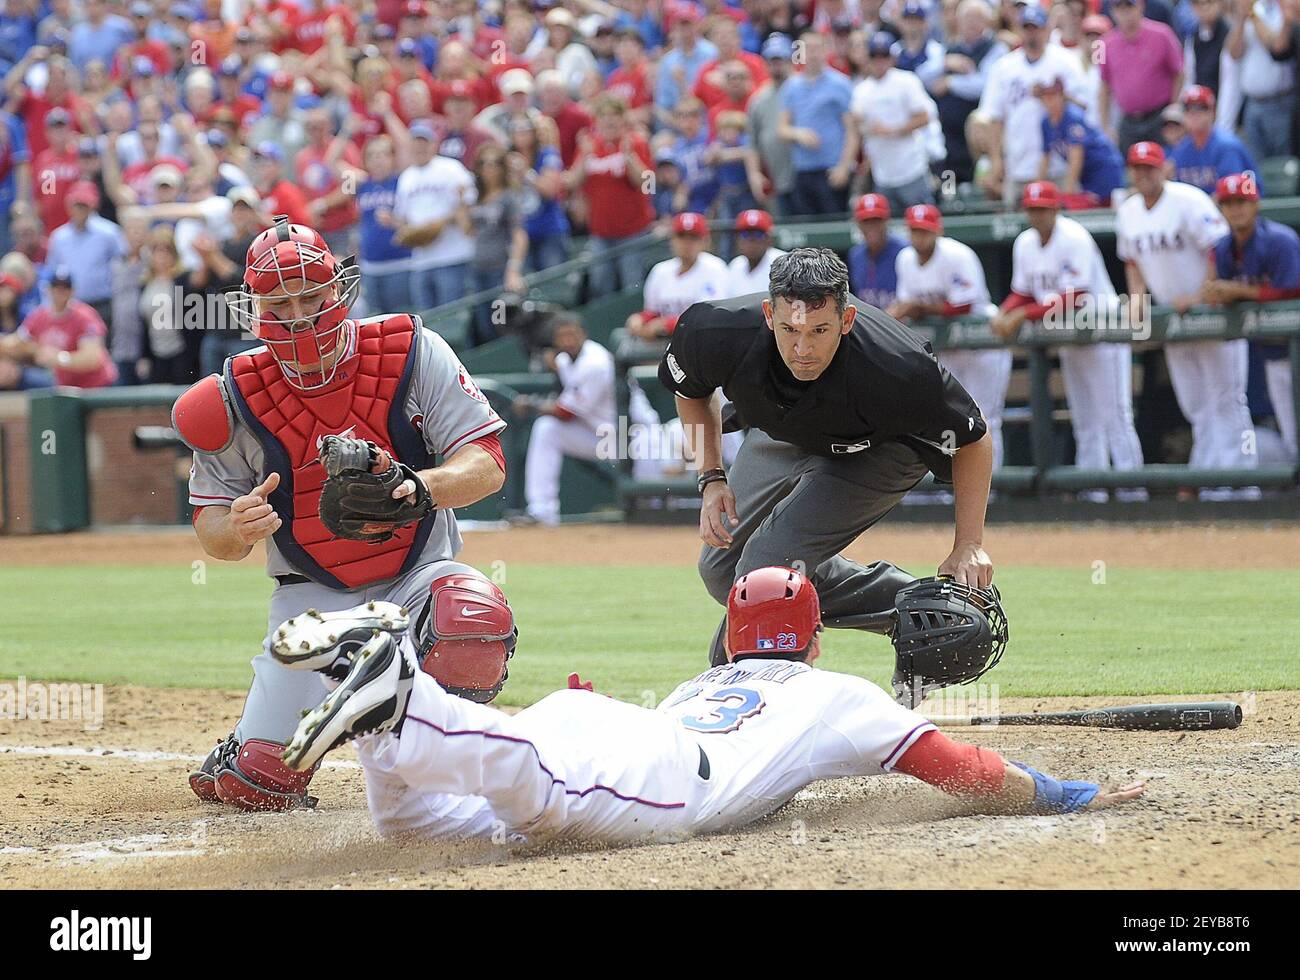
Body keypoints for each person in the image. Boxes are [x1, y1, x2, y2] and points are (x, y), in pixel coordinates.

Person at [267, 564, 1144, 843]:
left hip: (604, 728)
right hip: (650, 771)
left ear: (731, 638)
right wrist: (1071, 796)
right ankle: (403, 691)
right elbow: (963, 769)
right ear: (814, 636)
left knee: (421, 830)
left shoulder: (704, 683)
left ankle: (385, 713)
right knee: (537, 792)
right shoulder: (839, 691)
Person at [170, 216, 513, 811]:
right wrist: (237, 526)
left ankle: (430, 751)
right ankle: (247, 750)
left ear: (338, 289)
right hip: (310, 597)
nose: (299, 315)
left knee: (471, 619)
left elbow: (486, 462)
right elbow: (212, 532)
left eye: (311, 295)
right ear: (254, 310)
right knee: (260, 785)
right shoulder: (230, 396)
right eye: (280, 303)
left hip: (416, 574)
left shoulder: (411, 350)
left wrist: (420, 487)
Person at [658, 248, 994, 698]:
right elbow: (690, 391)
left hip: (879, 448)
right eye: (789, 329)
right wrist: (712, 478)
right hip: (786, 431)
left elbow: (972, 438)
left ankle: (731, 698)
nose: (803, 348)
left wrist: (968, 545)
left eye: (819, 331)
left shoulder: (897, 364)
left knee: (763, 568)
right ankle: (926, 612)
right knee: (722, 573)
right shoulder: (712, 329)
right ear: (767, 314)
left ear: (848, 319)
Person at [1115, 141, 1256, 497]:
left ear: (1164, 168)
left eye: (1150, 166)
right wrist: (1136, 298)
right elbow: (1131, 260)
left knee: (1228, 402)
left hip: (1213, 313)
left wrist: (1204, 292)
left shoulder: (1189, 200)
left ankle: (1243, 485)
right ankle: (1214, 484)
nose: (1143, 173)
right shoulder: (1128, 210)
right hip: (1176, 320)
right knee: (1197, 406)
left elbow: (1219, 246)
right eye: (1137, 167)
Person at [992, 181, 1145, 499]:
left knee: (1115, 417)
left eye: (1043, 209)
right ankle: (1093, 495)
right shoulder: (1025, 243)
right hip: (1070, 337)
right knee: (1086, 420)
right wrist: (1004, 310)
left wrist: (1021, 315)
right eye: (1032, 209)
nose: (1037, 216)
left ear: (1056, 209)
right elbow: (1022, 291)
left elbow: (1074, 297)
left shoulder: (1075, 237)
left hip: (1102, 331)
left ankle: (1133, 495)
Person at [889, 204, 1010, 471]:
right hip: (948, 350)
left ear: (938, 230)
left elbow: (962, 306)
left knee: (986, 418)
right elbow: (906, 306)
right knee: (949, 419)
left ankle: (993, 487)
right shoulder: (905, 259)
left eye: (925, 231)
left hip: (982, 345)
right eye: (915, 231)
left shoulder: (958, 255)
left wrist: (917, 308)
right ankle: (951, 484)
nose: (920, 237)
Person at [1203, 172, 1299, 461]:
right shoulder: (1222, 249)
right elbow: (1215, 295)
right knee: (1292, 436)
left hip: (1294, 348)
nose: (1236, 209)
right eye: (1229, 203)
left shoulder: (1281, 240)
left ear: (1256, 204)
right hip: (1273, 353)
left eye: (1242, 201)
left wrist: (1238, 290)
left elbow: (1291, 290)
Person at [975, 5, 1086, 205]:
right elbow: (993, 117)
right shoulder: (1004, 67)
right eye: (1027, 28)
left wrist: (1052, 94)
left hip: (1060, 167)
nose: (1031, 33)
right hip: (1018, 167)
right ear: (1019, 30)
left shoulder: (1065, 61)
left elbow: (1083, 108)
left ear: (1047, 29)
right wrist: (996, 160)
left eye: (1036, 27)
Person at [514, 315, 615, 526]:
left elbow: (566, 412)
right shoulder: (563, 360)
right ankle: (541, 511)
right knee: (547, 429)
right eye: (562, 336)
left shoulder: (595, 362)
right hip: (596, 435)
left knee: (659, 505)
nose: (568, 340)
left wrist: (531, 404)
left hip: (631, 435)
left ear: (584, 334)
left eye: (573, 334)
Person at [566, 94, 654, 298]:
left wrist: (629, 157)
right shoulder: (589, 145)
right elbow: (570, 182)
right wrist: (584, 158)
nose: (609, 120)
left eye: (614, 115)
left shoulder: (636, 143)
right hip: (600, 231)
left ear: (623, 119)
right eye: (604, 116)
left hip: (632, 230)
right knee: (600, 286)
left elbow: (648, 184)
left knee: (631, 285)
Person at [840, 32, 936, 215]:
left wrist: (893, 130)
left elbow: (924, 117)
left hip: (911, 169)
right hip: (882, 173)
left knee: (920, 220)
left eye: (883, 56)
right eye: (874, 56)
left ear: (891, 57)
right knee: (889, 228)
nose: (878, 61)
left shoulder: (905, 81)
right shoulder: (861, 90)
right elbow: (855, 129)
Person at [392, 121, 476, 313]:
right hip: (421, 260)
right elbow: (403, 218)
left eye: (424, 141)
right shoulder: (407, 177)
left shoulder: (451, 168)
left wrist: (440, 223)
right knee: (427, 319)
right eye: (415, 142)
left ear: (434, 144)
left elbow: (470, 204)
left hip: (453, 255)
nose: (420, 147)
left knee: (454, 317)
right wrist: (402, 229)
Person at [777, 31, 854, 216]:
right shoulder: (791, 87)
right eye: (807, 49)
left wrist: (844, 167)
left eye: (817, 48)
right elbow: (782, 129)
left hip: (831, 170)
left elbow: (852, 130)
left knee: (834, 228)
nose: (812, 54)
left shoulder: (840, 84)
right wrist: (798, 134)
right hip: (803, 170)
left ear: (826, 50)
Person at [1, 266, 117, 388]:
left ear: (72, 291)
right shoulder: (40, 316)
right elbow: (16, 341)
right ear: (48, 289)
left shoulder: (84, 316)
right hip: (67, 387)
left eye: (65, 287)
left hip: (99, 386)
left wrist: (60, 358)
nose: (60, 292)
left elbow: (93, 358)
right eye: (56, 287)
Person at [1098, 0, 1185, 154]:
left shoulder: (1162, 33)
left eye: (1129, 6)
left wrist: (1174, 107)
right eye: (1119, 7)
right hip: (1128, 121)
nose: (1125, 12)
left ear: (1141, 6)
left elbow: (1179, 72)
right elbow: (1104, 86)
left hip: (1159, 116)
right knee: (1131, 172)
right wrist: (1105, 126)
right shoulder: (1104, 44)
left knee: (1165, 165)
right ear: (1112, 11)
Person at [626, 211, 729, 341]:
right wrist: (641, 318)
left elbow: (709, 317)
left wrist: (666, 324)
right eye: (681, 236)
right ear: (672, 239)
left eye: (693, 237)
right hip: (665, 343)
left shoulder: (715, 268)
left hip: (702, 343)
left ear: (705, 241)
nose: (686, 243)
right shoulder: (660, 271)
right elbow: (653, 312)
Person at [464, 144, 529, 346]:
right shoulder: (477, 197)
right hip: (478, 269)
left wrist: (513, 269)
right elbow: (467, 229)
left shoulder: (509, 197)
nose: (488, 169)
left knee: (500, 323)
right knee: (484, 324)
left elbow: (519, 234)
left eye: (494, 164)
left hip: (499, 269)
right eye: (483, 164)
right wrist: (461, 203)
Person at [44, 179, 125, 327]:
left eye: (84, 205)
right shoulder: (59, 237)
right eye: (77, 205)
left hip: (102, 303)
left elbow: (122, 265)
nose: (80, 210)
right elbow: (51, 271)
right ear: (69, 205)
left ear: (93, 205)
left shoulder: (109, 232)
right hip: (71, 306)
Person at [1036, 76, 1126, 205]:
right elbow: (1045, 156)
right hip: (1086, 174)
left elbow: (1076, 157)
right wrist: (1038, 188)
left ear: (1062, 96)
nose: (1050, 101)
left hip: (1104, 167)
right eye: (1046, 96)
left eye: (1054, 95)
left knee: (1105, 206)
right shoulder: (1045, 123)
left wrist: (1068, 191)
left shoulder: (1072, 117)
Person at [1227, 0, 1295, 162]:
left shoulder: (1287, 8)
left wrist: (1253, 15)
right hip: (1252, 103)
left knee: (1281, 165)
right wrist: (1242, 20)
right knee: (1254, 164)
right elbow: (1234, 54)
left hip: (1280, 101)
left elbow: (1276, 48)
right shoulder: (1254, 8)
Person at [1168, 85, 1260, 195]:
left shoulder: (1226, 146)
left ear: (1213, 113)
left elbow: (1234, 191)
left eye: (1201, 108)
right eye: (1188, 108)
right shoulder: (1182, 149)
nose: (1194, 114)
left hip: (1236, 207)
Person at [847, 192, 907, 309]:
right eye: (866, 221)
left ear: (887, 221)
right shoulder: (855, 255)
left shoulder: (904, 252)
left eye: (876, 220)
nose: (871, 226)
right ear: (858, 223)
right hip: (870, 323)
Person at [725, 209, 784, 297]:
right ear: (737, 239)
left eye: (758, 234)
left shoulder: (783, 265)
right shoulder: (735, 266)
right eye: (745, 234)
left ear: (769, 239)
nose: (751, 240)